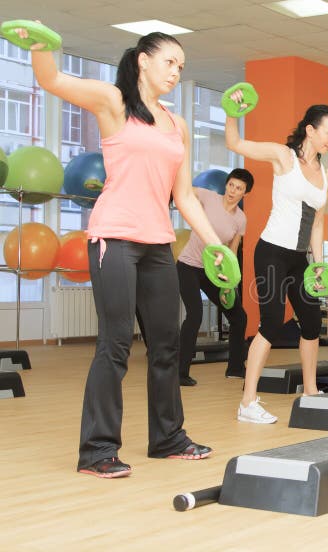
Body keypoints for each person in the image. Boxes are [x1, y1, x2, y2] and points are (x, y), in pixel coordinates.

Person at [20, 27, 221, 477]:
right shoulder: (114, 102)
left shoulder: (177, 125)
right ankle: (97, 450)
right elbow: (52, 80)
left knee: (166, 343)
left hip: (158, 243)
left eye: (181, 67)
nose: (176, 72)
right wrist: (39, 46)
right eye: (169, 62)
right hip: (114, 237)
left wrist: (215, 246)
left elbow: (185, 196)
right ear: (143, 61)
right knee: (114, 343)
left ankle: (168, 438)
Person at [225, 101, 328, 423]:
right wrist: (233, 112)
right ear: (310, 130)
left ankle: (311, 391)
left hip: (299, 258)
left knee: (312, 322)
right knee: (272, 323)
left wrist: (318, 265)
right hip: (272, 251)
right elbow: (235, 143)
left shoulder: (326, 175)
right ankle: (247, 402)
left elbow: (317, 223)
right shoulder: (283, 156)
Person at [177, 169, 253, 386]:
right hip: (188, 266)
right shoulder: (209, 197)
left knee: (239, 316)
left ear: (245, 193)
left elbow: (233, 252)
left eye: (239, 188)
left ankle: (235, 368)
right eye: (231, 185)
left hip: (214, 273)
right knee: (195, 315)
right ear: (226, 185)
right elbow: (184, 190)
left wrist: (229, 284)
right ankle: (180, 373)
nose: (233, 191)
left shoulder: (241, 219)